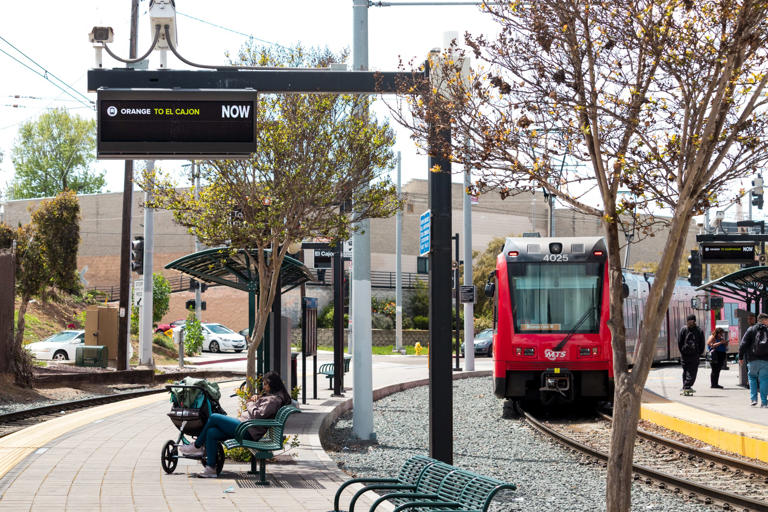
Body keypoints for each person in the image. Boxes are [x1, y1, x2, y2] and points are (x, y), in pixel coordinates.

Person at [179, 371, 292, 478]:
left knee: (213, 417)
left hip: (247, 430)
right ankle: (210, 469)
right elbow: (262, 410)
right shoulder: (273, 398)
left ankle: (197, 446)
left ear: (272, 385)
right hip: (245, 427)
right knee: (211, 432)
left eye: (266, 384)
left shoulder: (274, 400)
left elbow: (258, 414)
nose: (264, 387)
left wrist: (251, 403)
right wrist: (257, 399)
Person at [739, 313, 768, 407]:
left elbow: (743, 344)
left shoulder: (751, 329)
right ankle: (764, 402)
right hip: (765, 360)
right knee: (764, 379)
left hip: (752, 359)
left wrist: (740, 357)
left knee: (752, 378)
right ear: (764, 320)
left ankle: (753, 399)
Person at [678, 314, 705, 395]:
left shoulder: (683, 329)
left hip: (685, 354)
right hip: (693, 355)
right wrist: (699, 353)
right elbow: (702, 343)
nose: (689, 322)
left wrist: (682, 351)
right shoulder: (699, 330)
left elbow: (679, 342)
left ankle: (685, 386)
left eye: (690, 321)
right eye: (689, 321)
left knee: (687, 371)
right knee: (691, 371)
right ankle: (687, 386)